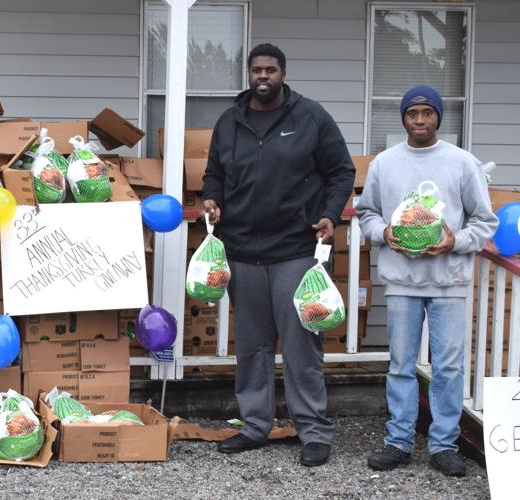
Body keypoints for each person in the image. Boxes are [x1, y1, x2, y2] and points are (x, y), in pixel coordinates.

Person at [201, 43, 354, 467]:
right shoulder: (230, 120)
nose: (263, 76)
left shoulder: (310, 117)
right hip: (242, 251)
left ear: (283, 73)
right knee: (251, 346)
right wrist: (212, 197)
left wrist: (329, 215)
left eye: (270, 69)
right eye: (256, 70)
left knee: (303, 345)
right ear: (248, 75)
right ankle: (254, 426)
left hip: (294, 250)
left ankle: (314, 432)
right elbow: (214, 172)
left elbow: (342, 171)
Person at [357, 85, 496, 477]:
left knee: (449, 368)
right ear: (403, 117)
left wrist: (456, 241)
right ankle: (398, 441)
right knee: (401, 364)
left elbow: (485, 221)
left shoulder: (462, 163)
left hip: (448, 280)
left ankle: (444, 445)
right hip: (402, 281)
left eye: (427, 113)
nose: (420, 120)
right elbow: (367, 213)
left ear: (438, 117)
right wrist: (385, 233)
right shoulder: (385, 164)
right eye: (413, 113)